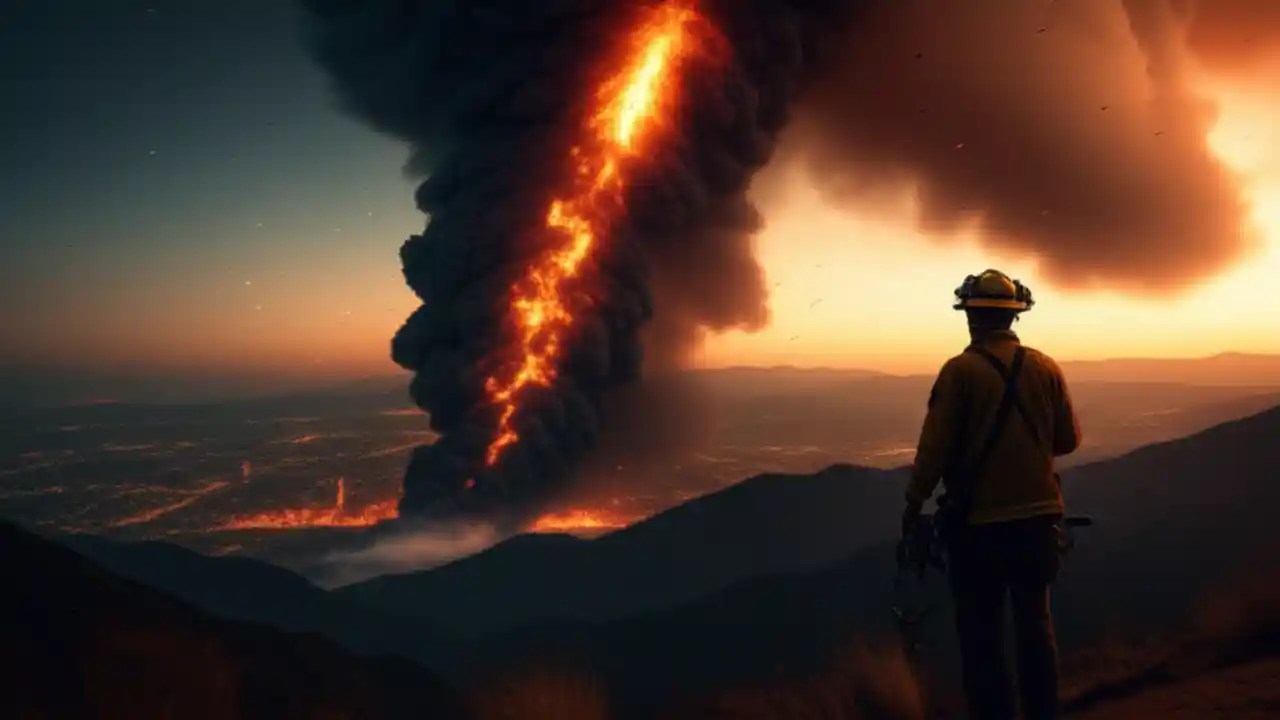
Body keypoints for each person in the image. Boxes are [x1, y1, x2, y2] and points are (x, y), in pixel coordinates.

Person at [902, 269, 1082, 720]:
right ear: (1014, 317)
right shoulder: (1045, 368)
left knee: (982, 638)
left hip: (979, 530)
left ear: (971, 318)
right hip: (1039, 522)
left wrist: (913, 505)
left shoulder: (960, 372)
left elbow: (934, 451)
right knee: (1036, 630)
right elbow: (1067, 441)